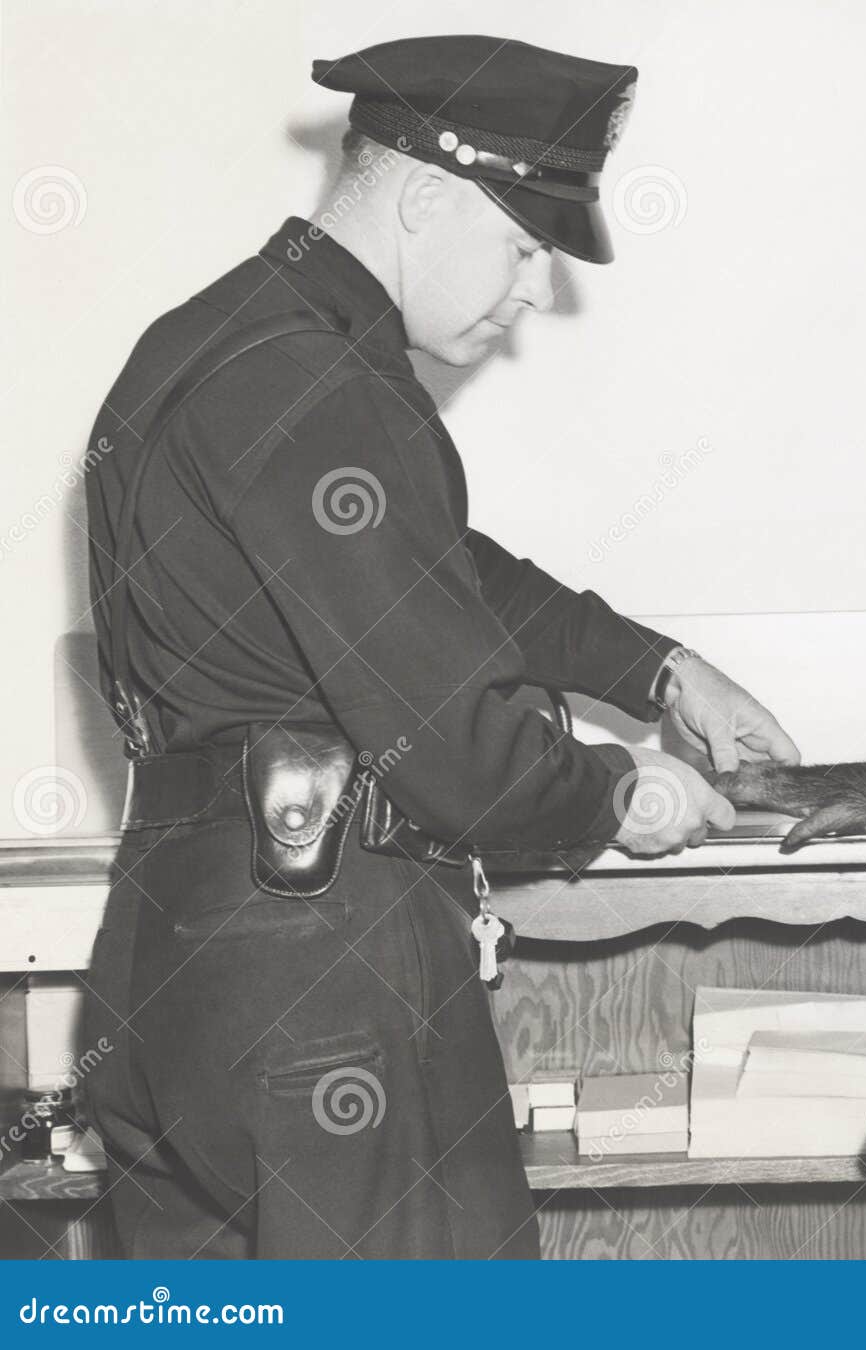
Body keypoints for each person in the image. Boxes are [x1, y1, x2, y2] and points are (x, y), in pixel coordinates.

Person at [80, 34, 798, 1259]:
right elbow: (459, 747)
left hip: (171, 961)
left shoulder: (210, 344)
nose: (533, 294)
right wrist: (617, 789)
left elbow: (432, 570)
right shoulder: (317, 382)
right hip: (323, 979)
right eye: (523, 246)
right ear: (422, 196)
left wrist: (657, 670)